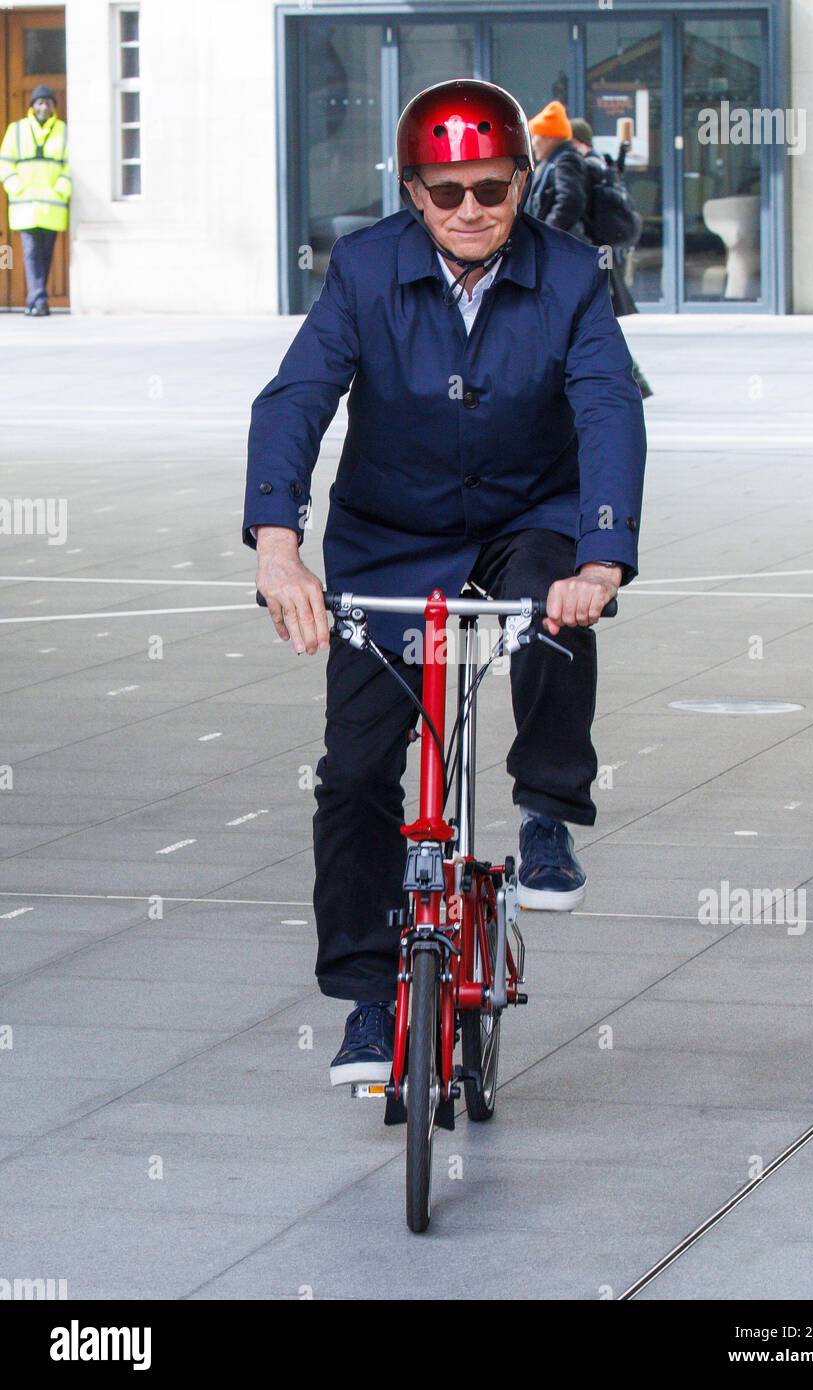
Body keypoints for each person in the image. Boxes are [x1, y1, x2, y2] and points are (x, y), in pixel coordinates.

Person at [243, 79, 646, 1087]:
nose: (470, 209)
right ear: (412, 191)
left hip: (527, 518)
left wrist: (601, 552)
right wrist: (276, 539)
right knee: (352, 773)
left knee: (551, 613)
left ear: (521, 180)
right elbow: (298, 395)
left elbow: (605, 406)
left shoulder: (568, 275)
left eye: (492, 187)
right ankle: (372, 997)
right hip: (389, 534)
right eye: (446, 191)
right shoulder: (367, 268)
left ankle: (549, 809)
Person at [569, 116, 653, 399]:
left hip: (591, 255)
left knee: (595, 322)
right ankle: (633, 378)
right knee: (594, 321)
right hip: (603, 254)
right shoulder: (601, 163)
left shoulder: (583, 166)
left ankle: (633, 378)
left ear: (576, 141)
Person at [0, 86, 71, 317]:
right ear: (32, 106)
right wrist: (15, 187)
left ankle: (35, 299)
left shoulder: (63, 131)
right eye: (39, 102)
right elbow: (5, 162)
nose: (43, 107)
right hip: (25, 206)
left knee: (45, 254)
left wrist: (61, 188)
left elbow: (71, 164)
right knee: (31, 253)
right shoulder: (16, 130)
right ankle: (39, 299)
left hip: (52, 206)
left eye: (47, 103)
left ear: (53, 107)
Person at [524, 100, 588, 238]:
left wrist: (547, 235)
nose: (533, 144)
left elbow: (570, 201)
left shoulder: (566, 161)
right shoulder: (552, 161)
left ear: (550, 137)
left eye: (536, 136)